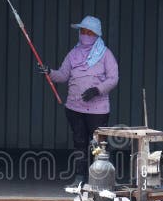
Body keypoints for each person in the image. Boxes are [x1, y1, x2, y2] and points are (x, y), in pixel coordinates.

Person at [45, 15, 119, 185]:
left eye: (89, 32)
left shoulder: (106, 54)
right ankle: (79, 178)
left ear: (96, 35)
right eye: (82, 31)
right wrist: (49, 72)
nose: (85, 35)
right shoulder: (73, 53)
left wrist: (97, 90)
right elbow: (63, 75)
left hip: (98, 111)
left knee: (98, 144)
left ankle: (101, 179)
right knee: (79, 142)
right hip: (74, 108)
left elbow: (113, 78)